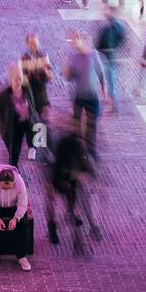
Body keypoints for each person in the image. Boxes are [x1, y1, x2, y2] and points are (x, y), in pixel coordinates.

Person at [46, 121, 101, 251]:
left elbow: (89, 165)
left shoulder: (81, 149)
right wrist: (50, 184)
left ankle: (90, 225)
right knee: (52, 201)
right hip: (58, 178)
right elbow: (54, 166)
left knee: (81, 200)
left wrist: (93, 174)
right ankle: (52, 226)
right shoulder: (64, 146)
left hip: (72, 181)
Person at [64, 33, 106, 157]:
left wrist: (104, 91)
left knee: (91, 127)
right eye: (71, 42)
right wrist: (66, 69)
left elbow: (101, 73)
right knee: (76, 126)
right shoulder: (74, 58)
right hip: (79, 97)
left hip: (92, 97)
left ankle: (91, 153)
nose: (72, 44)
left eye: (73, 41)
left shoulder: (94, 55)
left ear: (79, 38)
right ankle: (77, 152)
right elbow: (69, 78)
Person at [0, 165, 31, 271]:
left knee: (24, 223)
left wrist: (16, 218)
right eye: (3, 187)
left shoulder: (20, 182)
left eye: (9, 188)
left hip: (14, 206)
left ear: (13, 182)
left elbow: (23, 204)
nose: (6, 190)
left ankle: (22, 256)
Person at [0, 73, 30, 167]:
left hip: (24, 125)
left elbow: (32, 105)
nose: (18, 82)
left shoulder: (26, 91)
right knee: (14, 150)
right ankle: (13, 167)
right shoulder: (4, 96)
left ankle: (13, 166)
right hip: (11, 128)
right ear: (11, 81)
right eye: (15, 79)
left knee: (16, 149)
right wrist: (2, 127)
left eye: (19, 79)